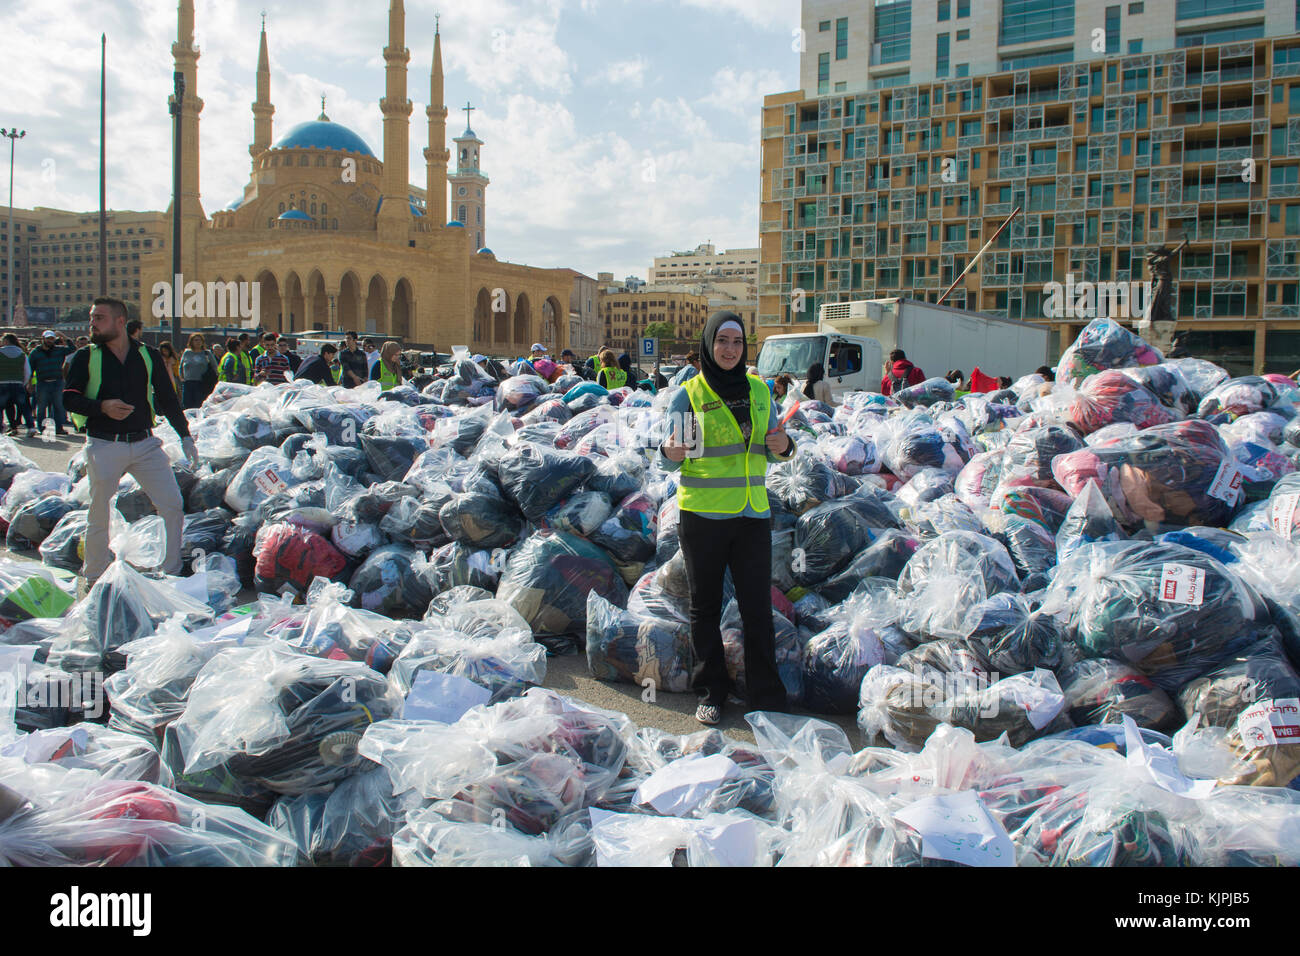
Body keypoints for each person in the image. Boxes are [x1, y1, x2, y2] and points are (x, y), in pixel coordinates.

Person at [659, 311, 797, 725]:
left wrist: (785, 444)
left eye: (737, 342)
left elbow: (776, 450)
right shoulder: (689, 394)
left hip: (752, 514)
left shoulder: (759, 391)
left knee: (756, 606)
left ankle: (766, 696)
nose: (730, 350)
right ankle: (712, 690)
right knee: (705, 605)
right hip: (702, 515)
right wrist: (671, 452)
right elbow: (668, 459)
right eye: (722, 341)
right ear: (708, 344)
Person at [64, 297, 198, 584]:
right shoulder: (86, 356)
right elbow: (69, 398)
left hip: (145, 443)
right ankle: (94, 575)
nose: (93, 323)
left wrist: (184, 434)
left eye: (99, 317)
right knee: (99, 510)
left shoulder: (148, 356)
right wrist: (102, 406)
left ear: (120, 321)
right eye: (92, 317)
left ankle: (171, 571)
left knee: (172, 505)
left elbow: (167, 398)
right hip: (104, 443)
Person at [29, 330, 73, 436]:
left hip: (57, 382)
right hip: (42, 383)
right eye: (48, 338)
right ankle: (42, 428)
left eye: (52, 338)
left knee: (58, 406)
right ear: (43, 339)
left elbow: (72, 348)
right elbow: (30, 369)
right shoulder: (35, 352)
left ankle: (58, 428)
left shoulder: (59, 350)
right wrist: (30, 383)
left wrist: (63, 336)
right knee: (42, 407)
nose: (50, 341)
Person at [0, 334, 37, 437]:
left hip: (2, 384)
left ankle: (11, 428)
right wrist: (23, 383)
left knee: (4, 407)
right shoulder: (22, 354)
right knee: (24, 407)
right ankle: (31, 427)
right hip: (18, 384)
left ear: (6, 341)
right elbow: (28, 372)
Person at [179, 333, 219, 409]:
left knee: (199, 405)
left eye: (200, 340)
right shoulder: (187, 353)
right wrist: (181, 377)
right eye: (196, 340)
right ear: (191, 342)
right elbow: (181, 366)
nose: (198, 342)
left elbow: (215, 367)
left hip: (201, 383)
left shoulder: (207, 353)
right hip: (188, 382)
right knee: (187, 405)